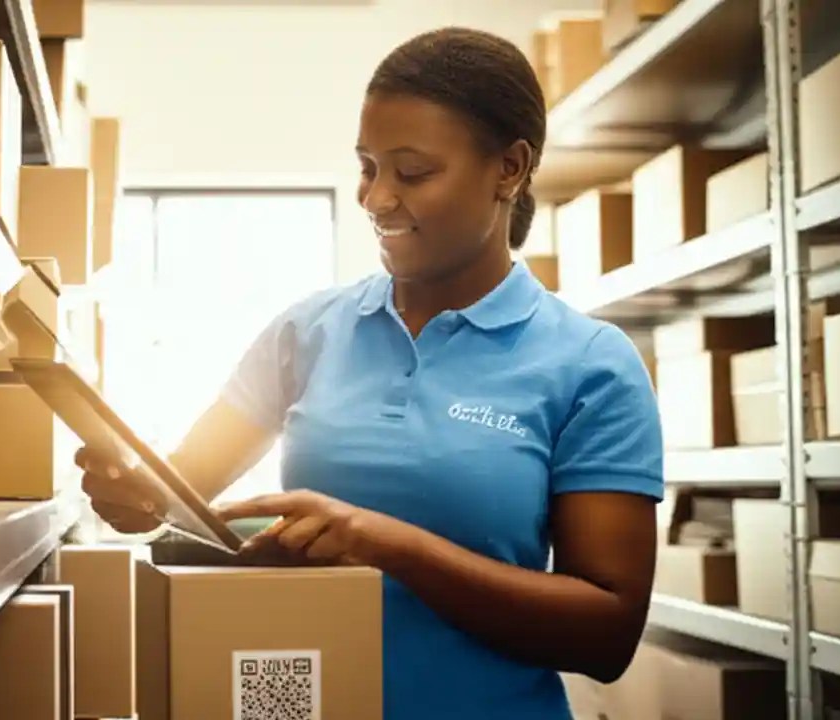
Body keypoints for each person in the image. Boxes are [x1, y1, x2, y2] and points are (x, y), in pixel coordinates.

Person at [77, 27, 662, 720]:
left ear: (509, 168)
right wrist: (134, 494)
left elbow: (607, 635)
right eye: (366, 166)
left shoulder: (591, 364)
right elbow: (181, 493)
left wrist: (387, 545)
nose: (376, 198)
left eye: (411, 172)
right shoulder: (309, 331)